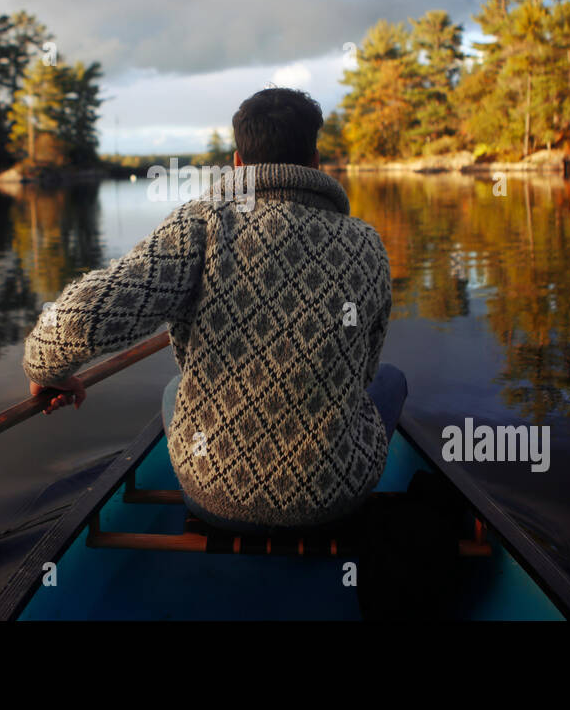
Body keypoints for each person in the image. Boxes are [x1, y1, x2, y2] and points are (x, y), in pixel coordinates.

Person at [24, 87, 406, 532]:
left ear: (238, 162)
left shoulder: (200, 224)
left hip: (215, 494)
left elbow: (80, 317)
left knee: (174, 390)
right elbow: (363, 371)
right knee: (391, 379)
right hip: (337, 495)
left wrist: (43, 366)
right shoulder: (366, 244)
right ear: (316, 160)